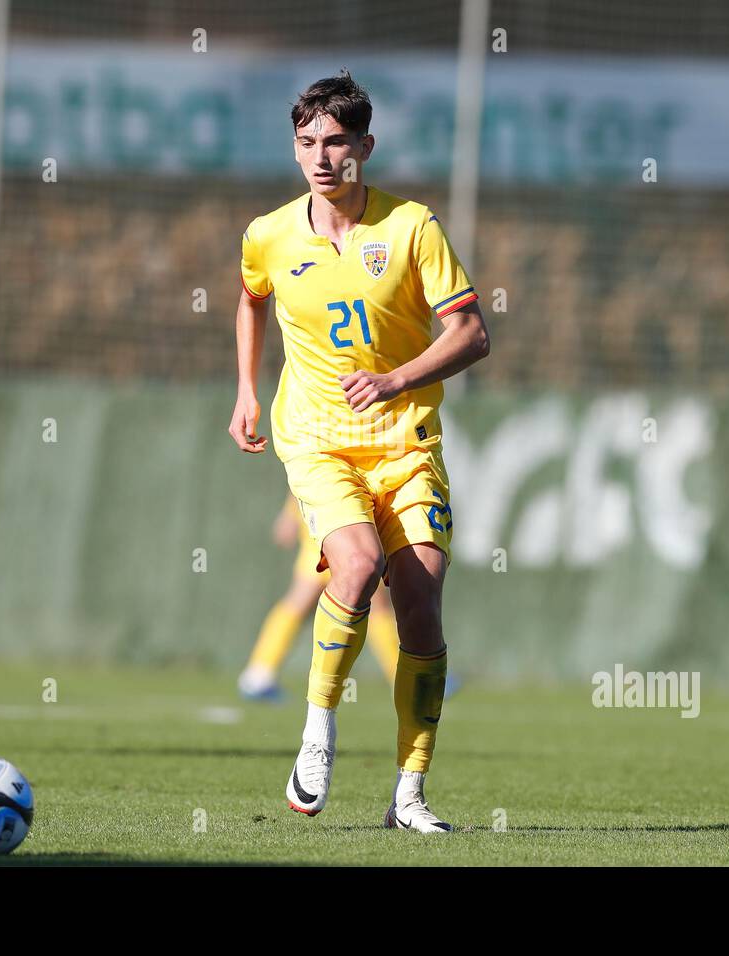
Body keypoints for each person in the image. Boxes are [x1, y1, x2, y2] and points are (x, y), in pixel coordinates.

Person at [227, 72, 490, 831]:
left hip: (406, 443)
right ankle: (317, 731)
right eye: (307, 141)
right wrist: (246, 390)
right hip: (318, 442)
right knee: (354, 564)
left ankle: (408, 796)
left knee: (422, 612)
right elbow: (250, 297)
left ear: (365, 147)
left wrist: (397, 379)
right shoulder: (269, 234)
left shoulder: (412, 228)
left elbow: (472, 333)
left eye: (336, 141)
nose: (320, 156)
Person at [238, 494, 400, 702]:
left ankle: (259, 673)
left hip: (337, 517)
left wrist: (289, 514)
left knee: (300, 601)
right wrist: (289, 515)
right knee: (375, 603)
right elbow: (309, 463)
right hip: (335, 520)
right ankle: (405, 678)